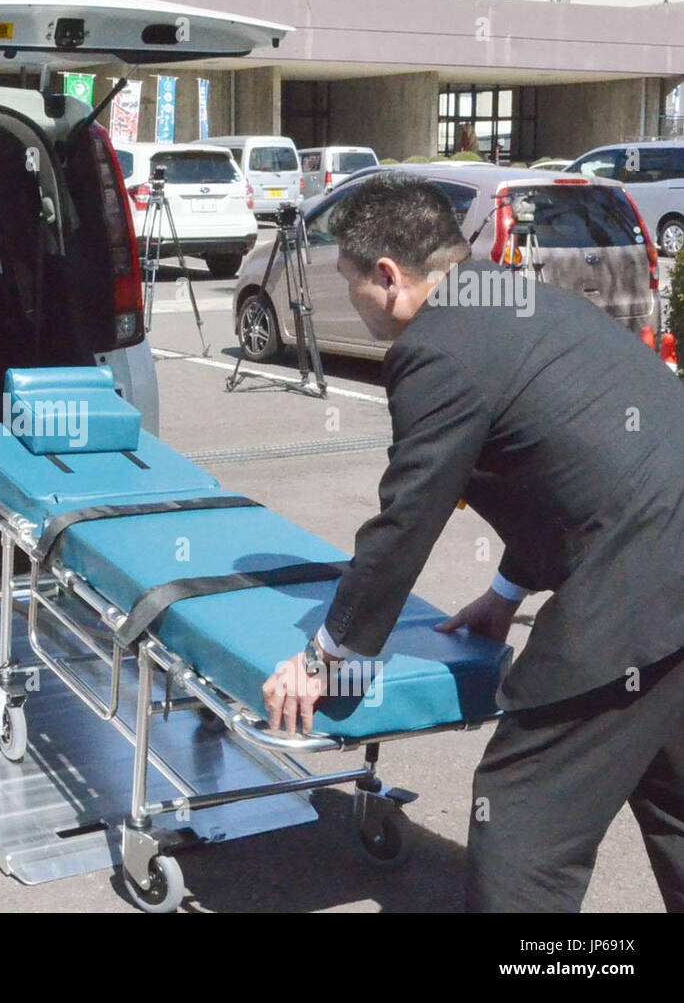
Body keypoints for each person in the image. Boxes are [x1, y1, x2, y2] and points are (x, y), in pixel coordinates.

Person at [260, 172, 684, 912]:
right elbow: (571, 472)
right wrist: (507, 592)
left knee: (523, 824)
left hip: (641, 586)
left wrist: (325, 656)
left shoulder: (435, 349)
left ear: (387, 278)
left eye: (352, 281)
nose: (356, 301)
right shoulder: (524, 297)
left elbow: (406, 519)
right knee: (674, 794)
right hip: (664, 568)